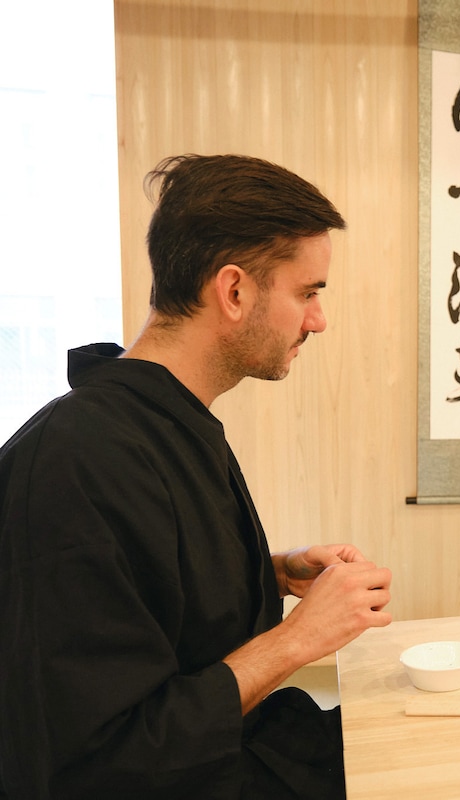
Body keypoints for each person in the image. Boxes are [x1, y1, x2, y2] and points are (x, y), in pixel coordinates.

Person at [0, 154, 393, 799]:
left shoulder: (165, 423)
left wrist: (273, 571)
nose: (318, 319)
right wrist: (298, 640)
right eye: (307, 293)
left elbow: (147, 595)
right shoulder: (76, 459)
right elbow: (102, 756)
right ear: (234, 291)